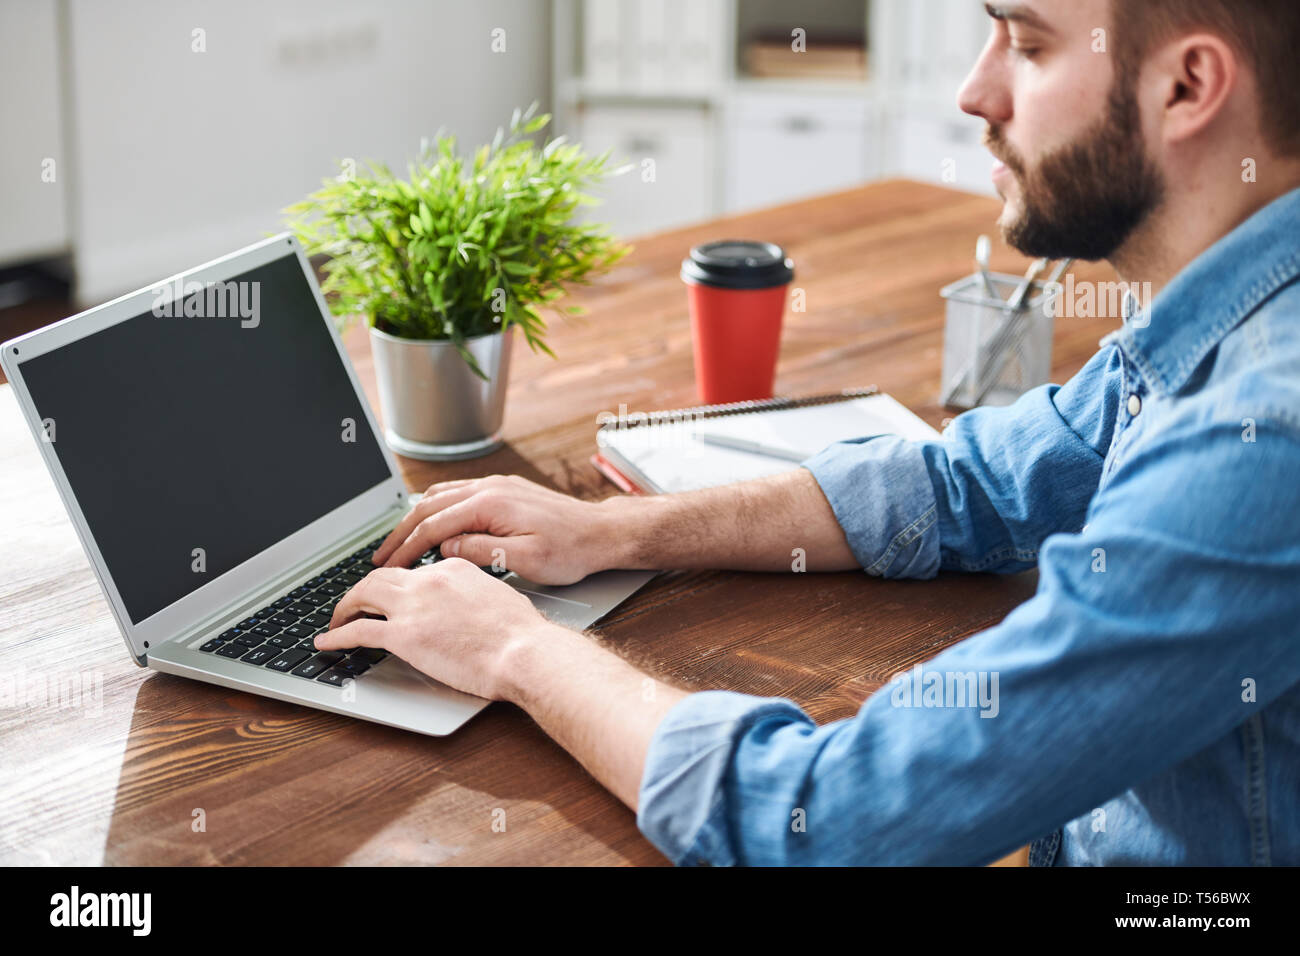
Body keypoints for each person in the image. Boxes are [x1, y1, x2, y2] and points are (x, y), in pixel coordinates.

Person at [316, 0, 1300, 865]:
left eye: (1027, 44)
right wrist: (615, 532)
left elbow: (824, 821)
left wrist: (517, 651)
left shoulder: (1259, 441)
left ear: (1188, 85)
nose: (972, 89)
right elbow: (969, 487)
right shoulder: (1221, 315)